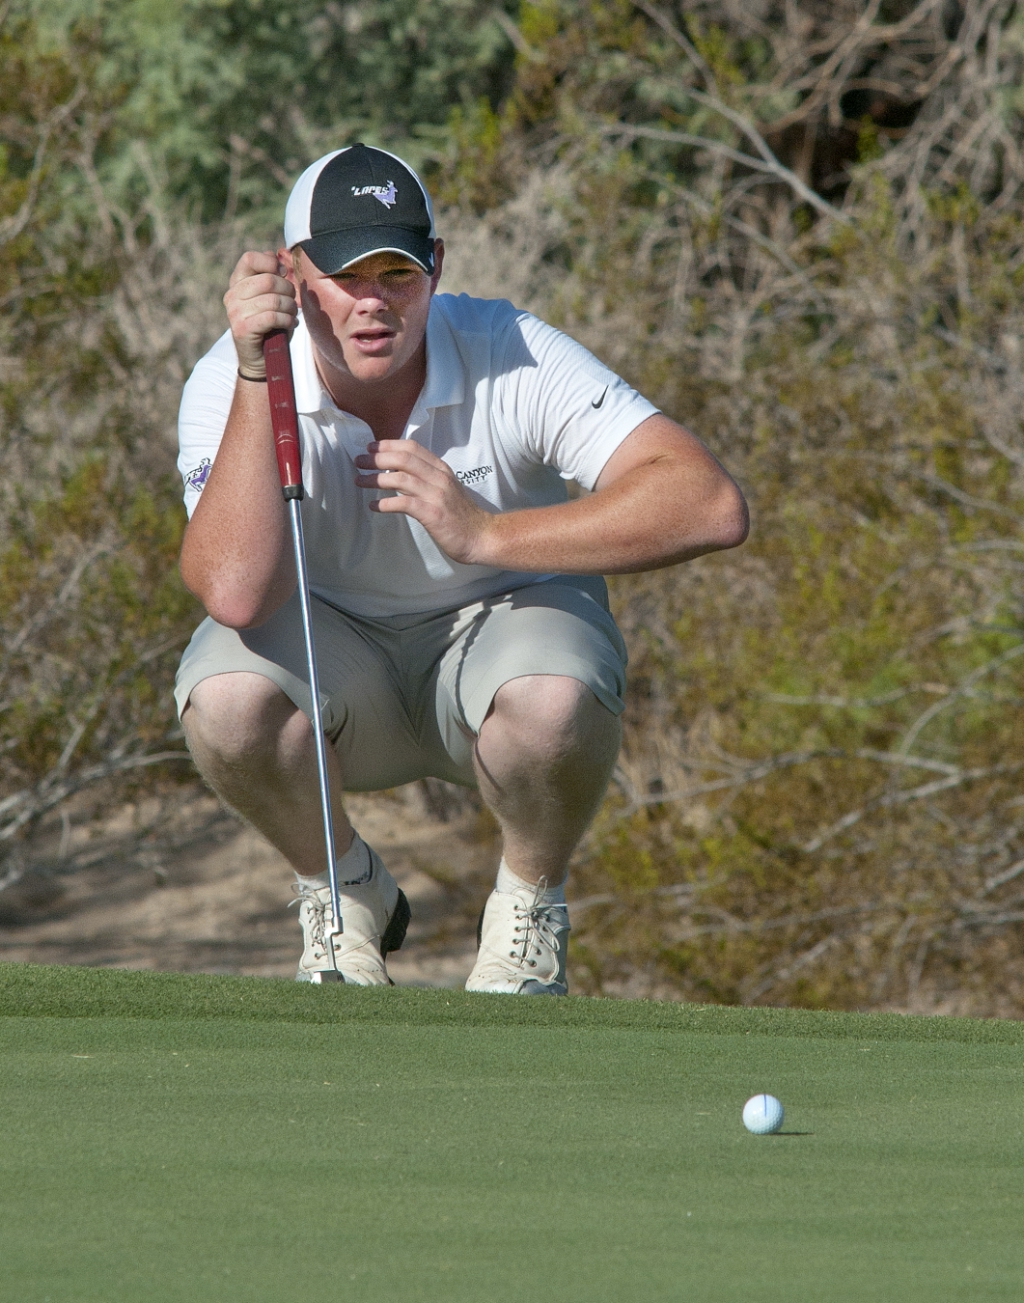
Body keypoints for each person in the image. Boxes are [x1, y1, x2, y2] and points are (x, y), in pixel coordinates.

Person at [175, 143, 748, 993]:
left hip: (498, 641)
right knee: (223, 700)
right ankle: (341, 886)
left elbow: (707, 502)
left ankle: (528, 905)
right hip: (340, 673)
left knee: (554, 699)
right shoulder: (233, 376)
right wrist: (262, 377)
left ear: (437, 268)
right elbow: (234, 589)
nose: (374, 304)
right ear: (294, 278)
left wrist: (488, 537)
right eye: (343, 276)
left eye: (398, 274)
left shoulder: (509, 347)